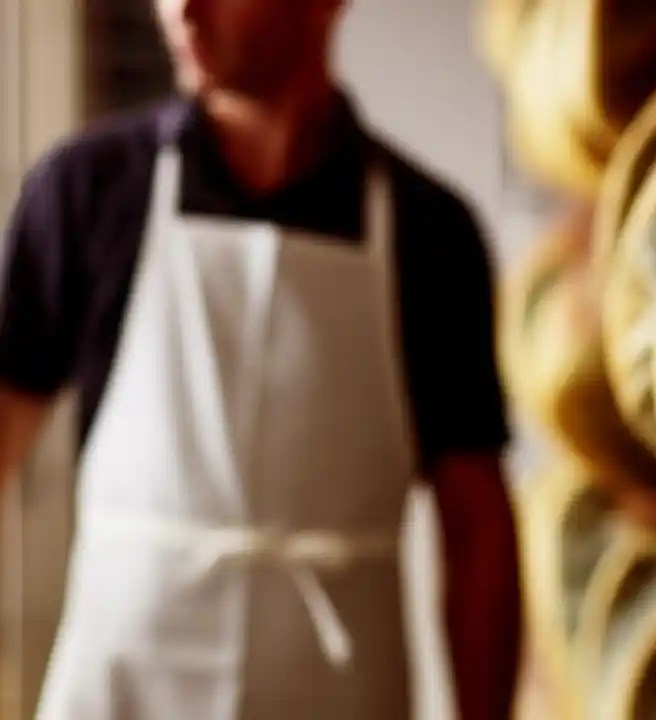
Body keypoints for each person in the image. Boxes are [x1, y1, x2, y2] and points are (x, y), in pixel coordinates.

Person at [0, 0, 521, 718]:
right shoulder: (84, 191)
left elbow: (477, 527)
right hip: (122, 690)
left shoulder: (431, 231)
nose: (182, 9)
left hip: (340, 692)